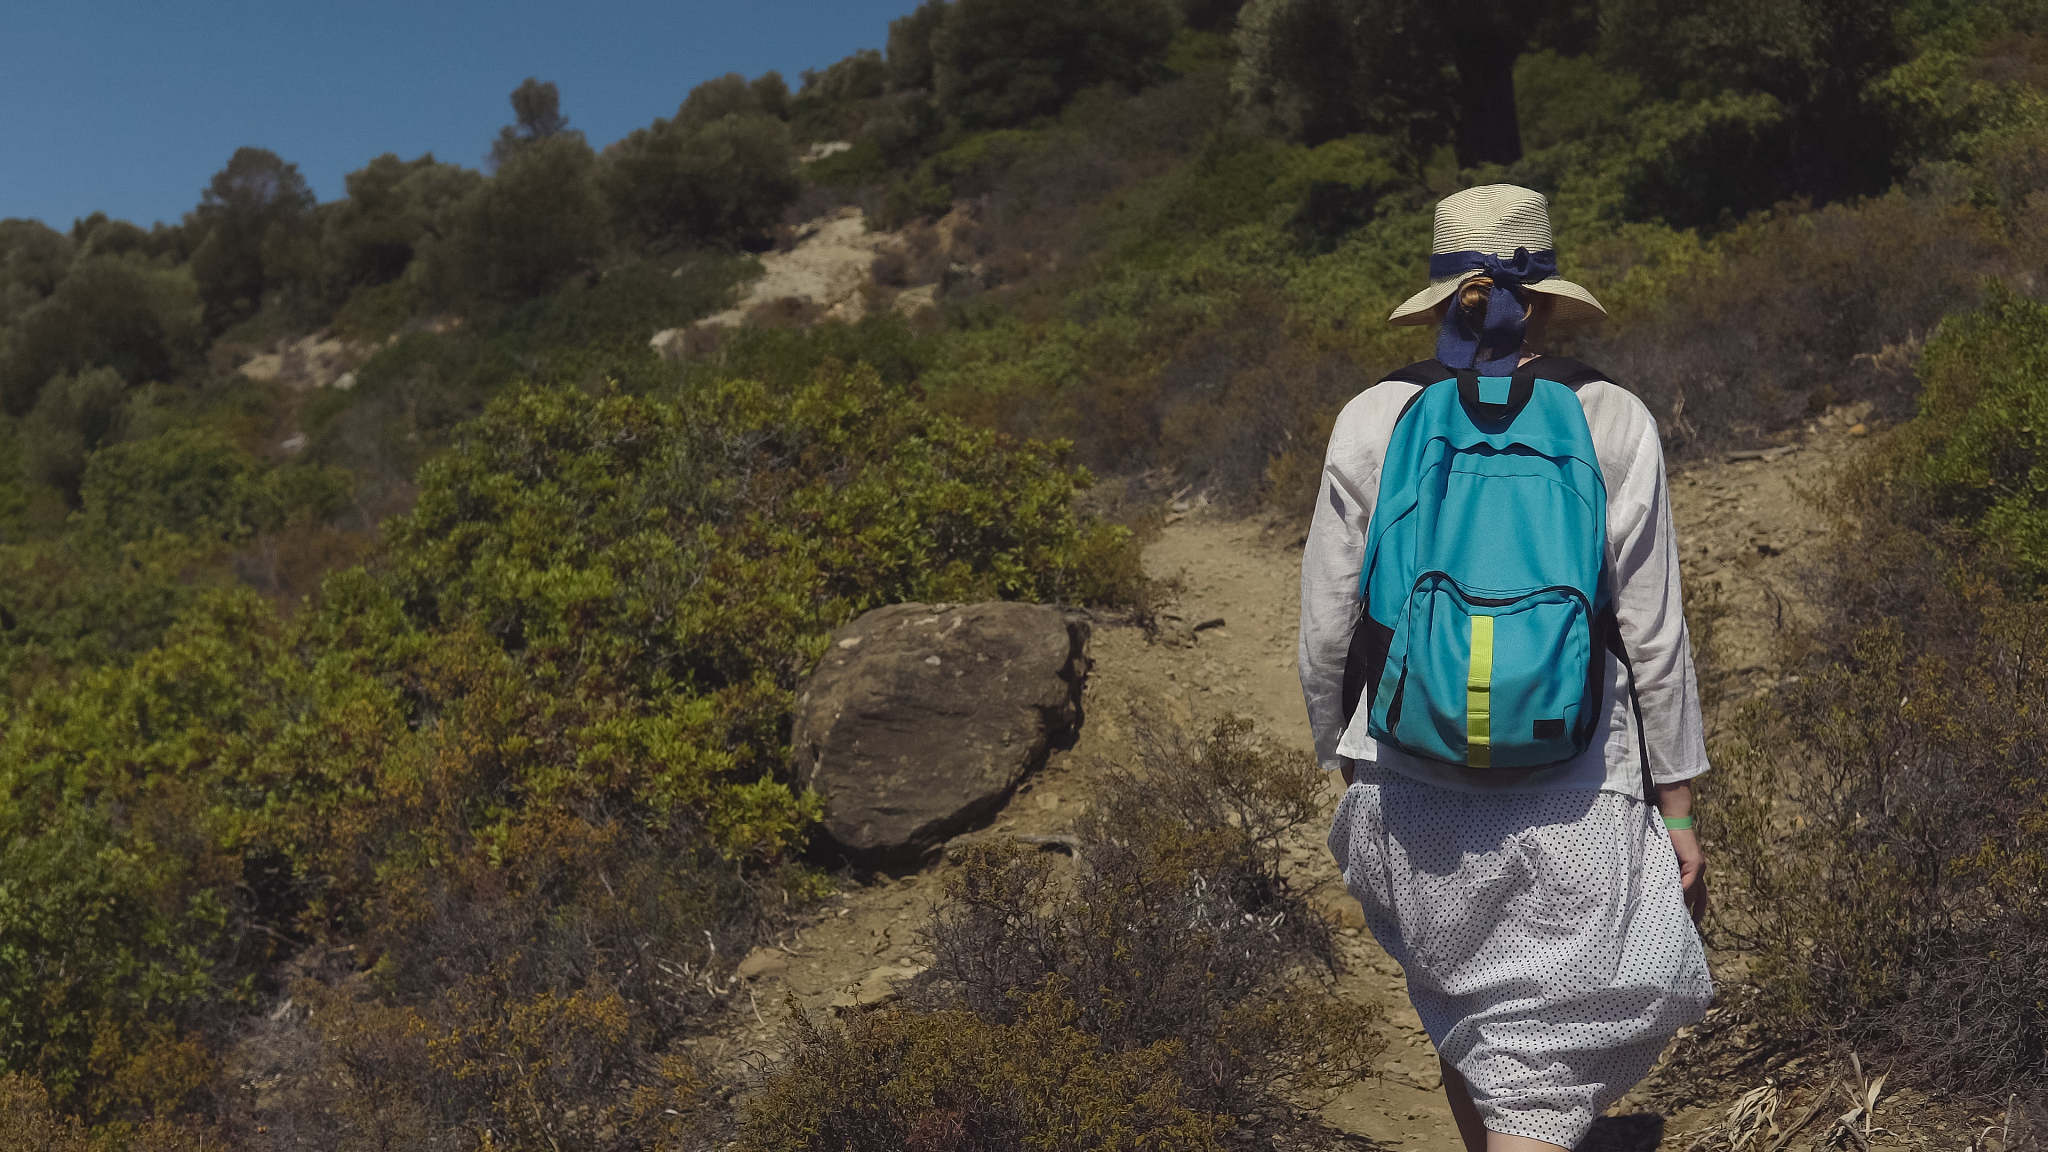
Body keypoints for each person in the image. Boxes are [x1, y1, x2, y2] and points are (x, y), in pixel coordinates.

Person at [1297, 184, 1713, 1152]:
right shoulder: (1608, 415)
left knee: (1465, 1010)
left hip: (1408, 774)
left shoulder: (1373, 416)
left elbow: (1325, 619)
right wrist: (1678, 804)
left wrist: (1343, 753)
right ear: (1554, 296)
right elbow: (1653, 629)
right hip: (1573, 777)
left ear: (1438, 295)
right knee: (1538, 1055)